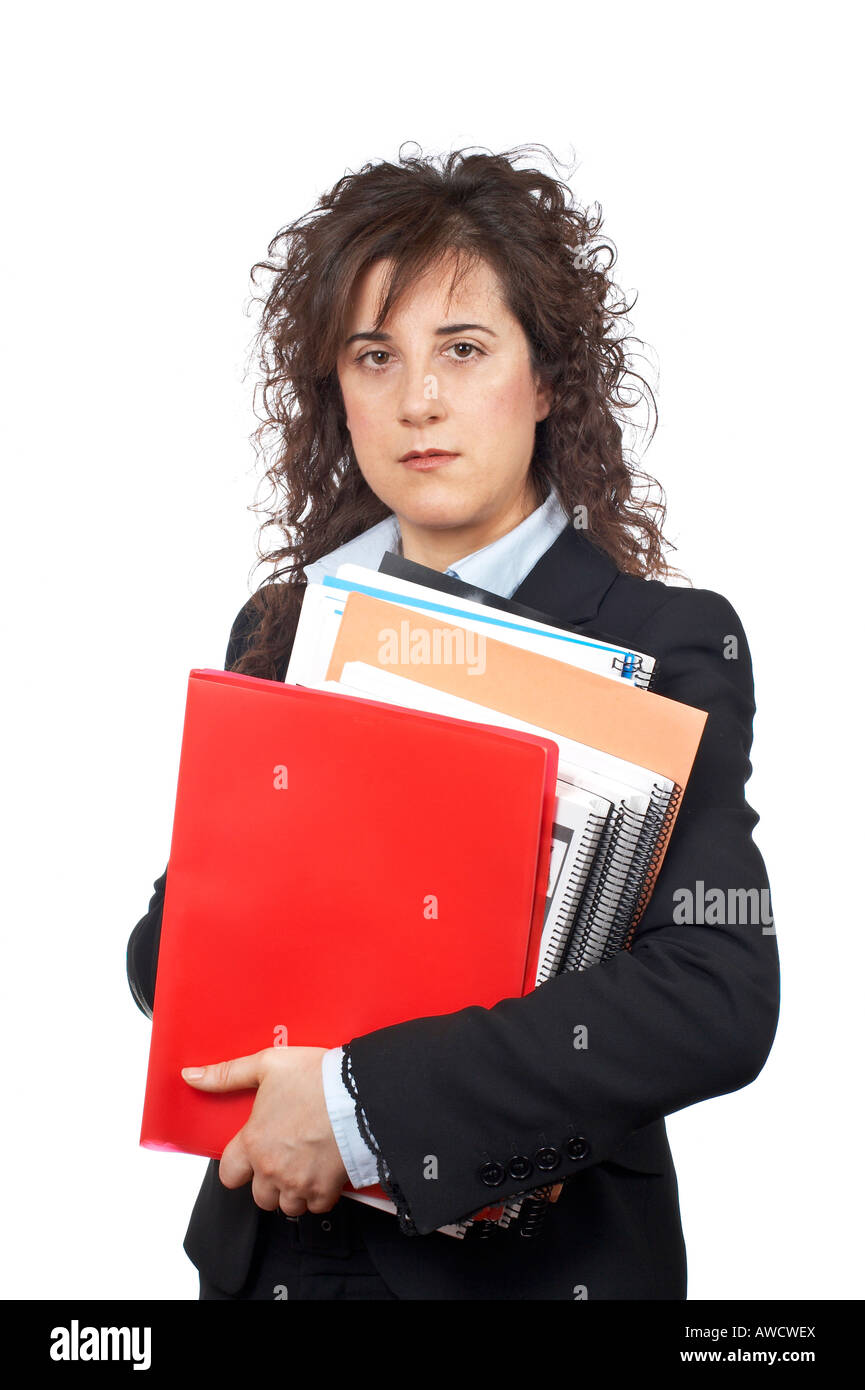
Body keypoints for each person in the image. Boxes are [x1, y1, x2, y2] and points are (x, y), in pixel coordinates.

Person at [126, 144, 780, 1301]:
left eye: (463, 350)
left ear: (545, 382)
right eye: (374, 357)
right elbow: (162, 951)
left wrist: (358, 1108)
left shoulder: (665, 642)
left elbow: (713, 997)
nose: (417, 399)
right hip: (268, 1257)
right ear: (338, 387)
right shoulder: (280, 624)